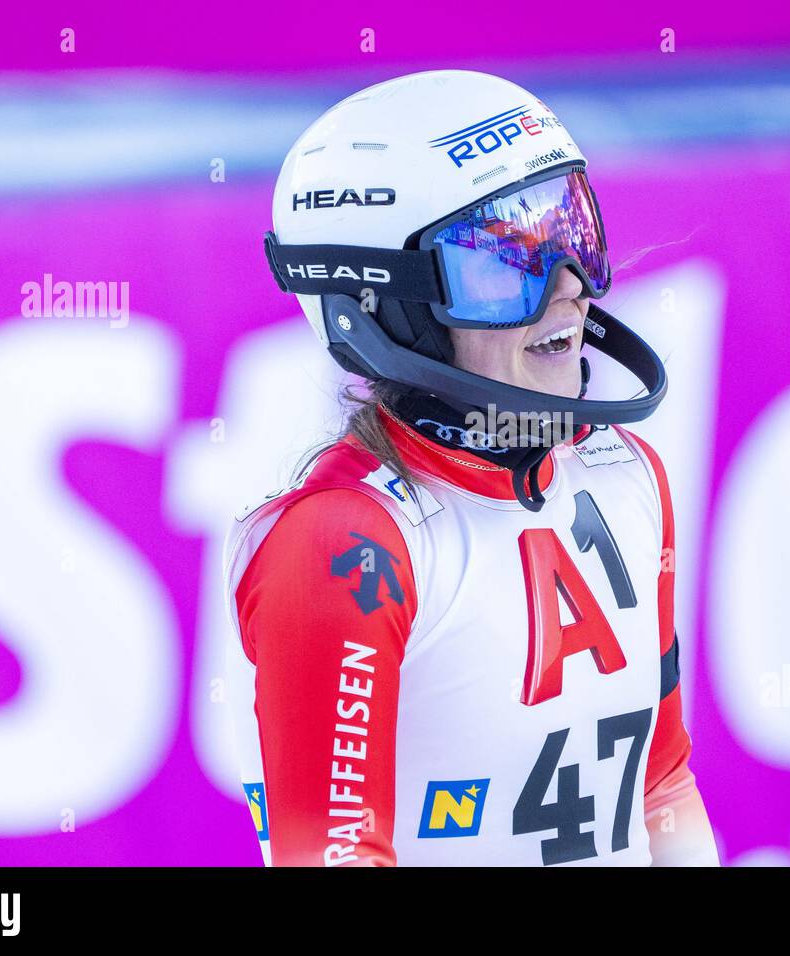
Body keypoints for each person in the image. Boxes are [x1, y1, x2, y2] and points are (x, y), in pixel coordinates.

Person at [223, 70, 718, 866]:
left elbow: (660, 782)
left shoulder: (627, 474)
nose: (569, 288)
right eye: (502, 263)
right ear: (388, 310)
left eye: (573, 231)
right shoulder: (345, 544)